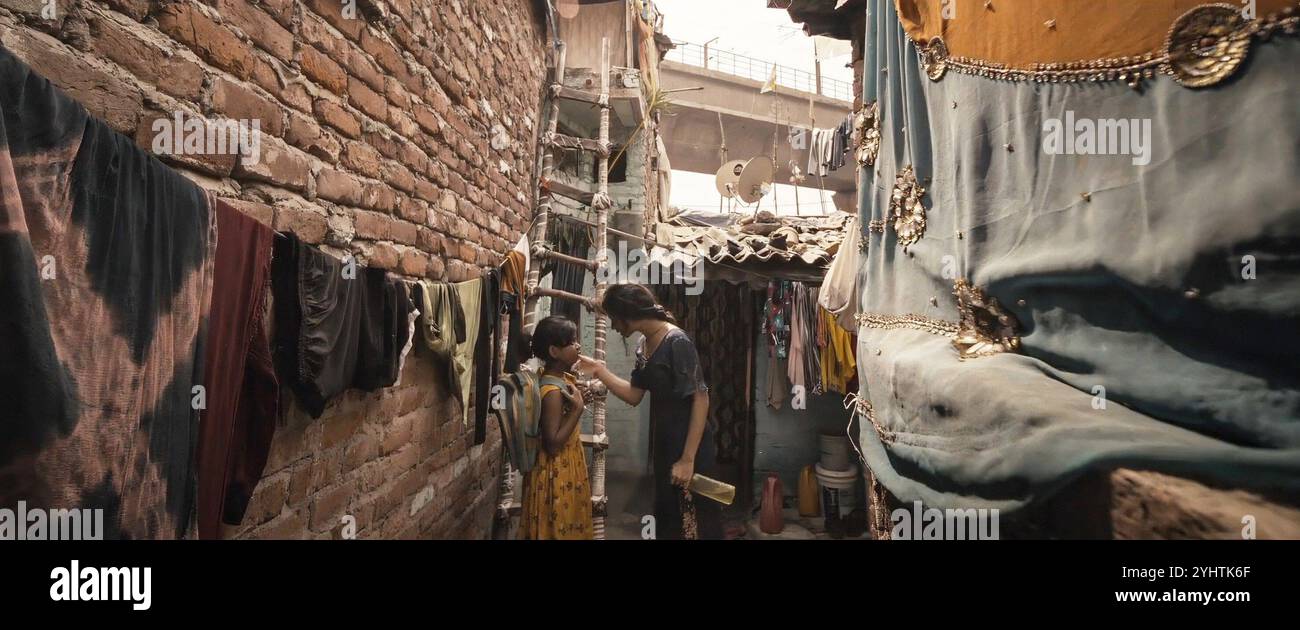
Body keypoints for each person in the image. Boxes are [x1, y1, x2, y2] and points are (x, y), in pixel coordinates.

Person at [576, 284, 723, 540]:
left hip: (691, 445)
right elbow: (634, 395)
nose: (612, 326)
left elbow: (701, 398)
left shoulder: (677, 342)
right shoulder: (644, 344)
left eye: (613, 319)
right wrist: (599, 370)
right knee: (669, 514)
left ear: (627, 315)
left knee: (698, 516)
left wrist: (688, 460)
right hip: (665, 443)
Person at [519, 316, 593, 540]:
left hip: (565, 466)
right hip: (555, 472)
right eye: (571, 342)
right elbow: (552, 444)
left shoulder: (559, 379)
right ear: (554, 351)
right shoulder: (552, 390)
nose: (578, 346)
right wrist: (577, 409)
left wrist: (577, 404)